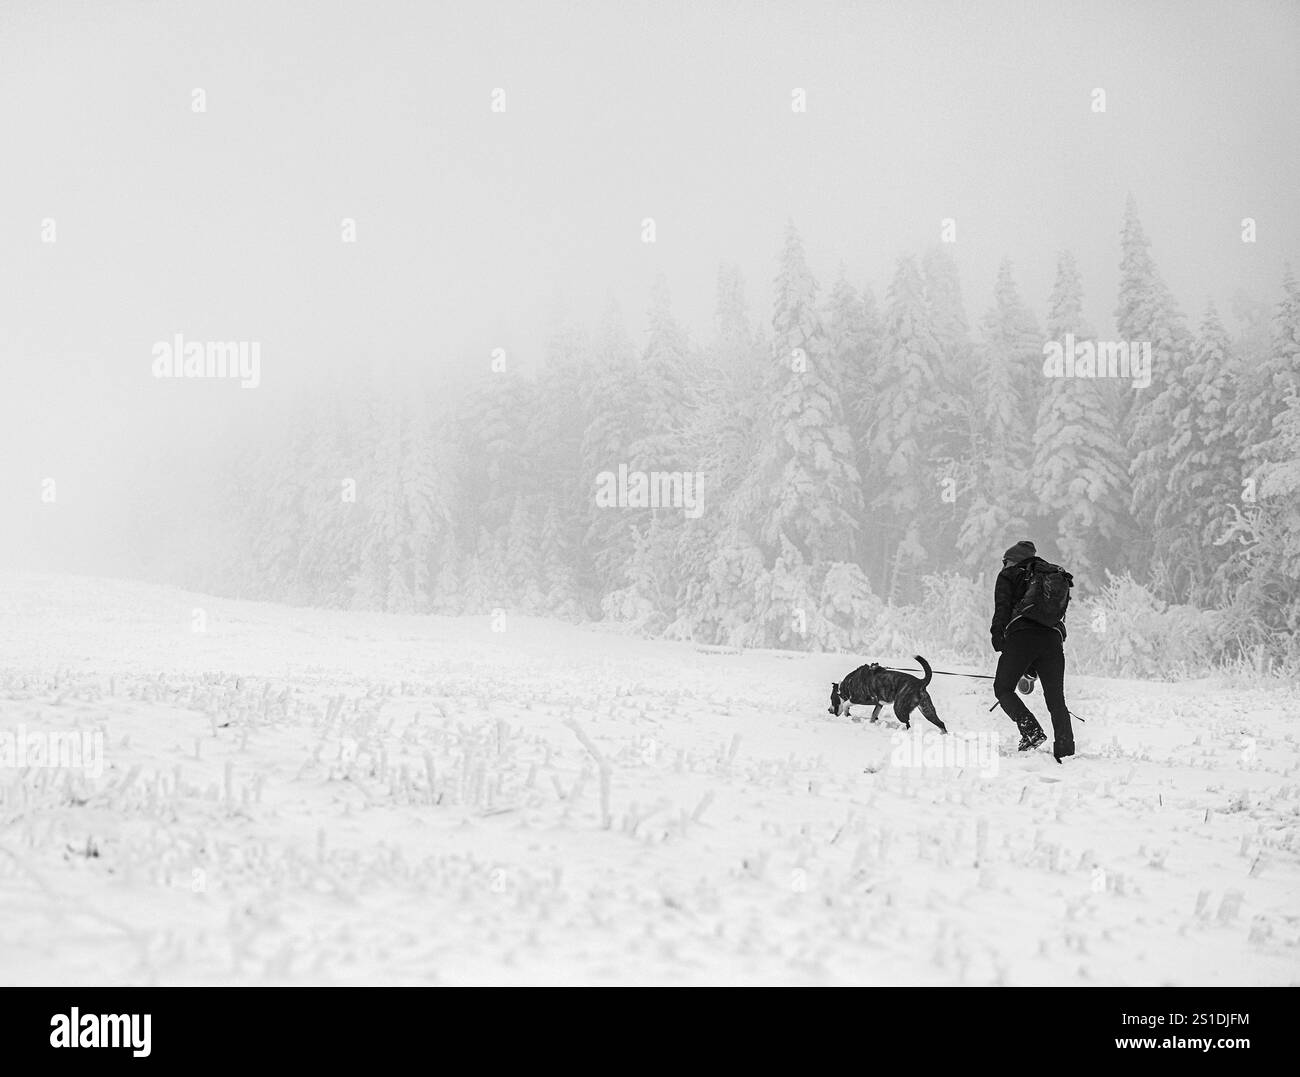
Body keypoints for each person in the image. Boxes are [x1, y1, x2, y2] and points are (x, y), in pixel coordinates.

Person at [989, 539, 1075, 761]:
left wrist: (997, 636)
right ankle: (1066, 751)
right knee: (1056, 699)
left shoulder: (1010, 574)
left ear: (1012, 560)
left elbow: (1003, 607)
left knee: (1003, 688)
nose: (1003, 565)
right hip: (1053, 639)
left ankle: (1031, 730)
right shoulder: (1051, 575)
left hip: (1022, 636)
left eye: (1004, 561)